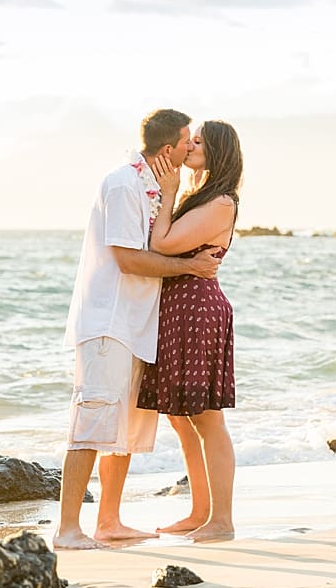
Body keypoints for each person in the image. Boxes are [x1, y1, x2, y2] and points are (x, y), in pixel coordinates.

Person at [54, 109, 224, 550]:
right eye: (189, 141)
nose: (193, 148)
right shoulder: (124, 183)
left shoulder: (155, 185)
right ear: (169, 149)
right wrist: (190, 266)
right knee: (92, 421)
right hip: (109, 322)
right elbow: (129, 258)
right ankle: (68, 529)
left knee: (122, 429)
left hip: (137, 325)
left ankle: (108, 520)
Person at [138, 120, 242, 541]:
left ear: (217, 152)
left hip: (198, 308)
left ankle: (222, 520)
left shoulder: (220, 202)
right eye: (191, 138)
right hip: (179, 307)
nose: (190, 145)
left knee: (206, 418)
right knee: (182, 419)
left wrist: (166, 192)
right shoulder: (199, 195)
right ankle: (201, 512)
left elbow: (162, 243)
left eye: (199, 141)